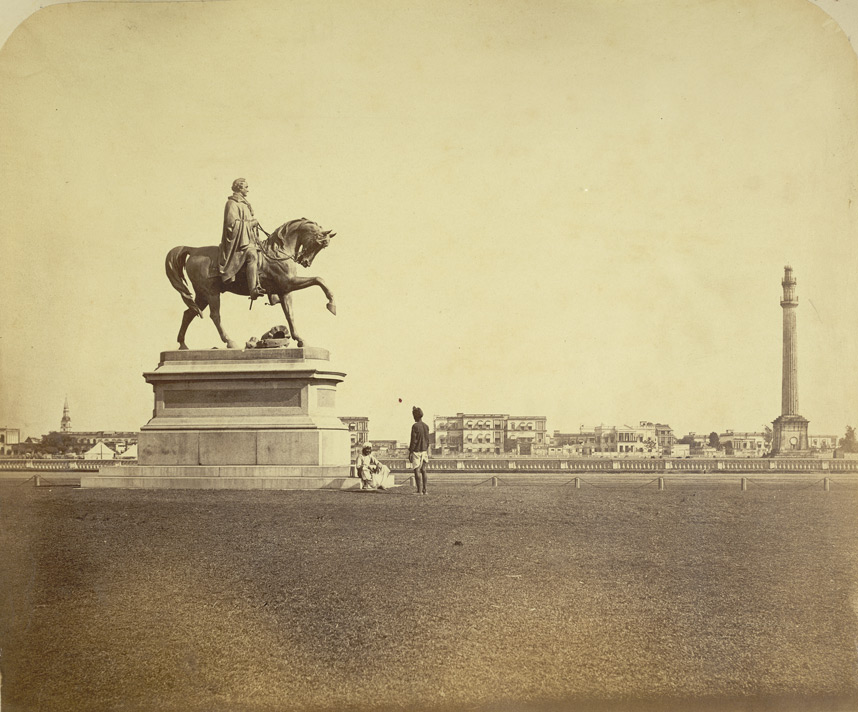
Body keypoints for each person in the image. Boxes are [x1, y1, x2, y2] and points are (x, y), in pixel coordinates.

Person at [218, 178, 266, 299]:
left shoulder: (244, 203)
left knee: (265, 255)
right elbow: (231, 225)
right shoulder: (232, 203)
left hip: (249, 240)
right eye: (246, 187)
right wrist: (251, 223)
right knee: (252, 255)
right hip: (237, 244)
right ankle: (253, 289)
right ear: (239, 188)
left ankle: (272, 292)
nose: (247, 190)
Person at [408, 406, 430, 495]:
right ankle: (425, 490)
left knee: (417, 470)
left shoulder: (415, 426)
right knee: (424, 470)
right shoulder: (426, 426)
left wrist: (410, 451)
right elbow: (428, 440)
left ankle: (419, 491)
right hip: (424, 451)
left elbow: (413, 440)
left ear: (416, 416)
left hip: (416, 451)